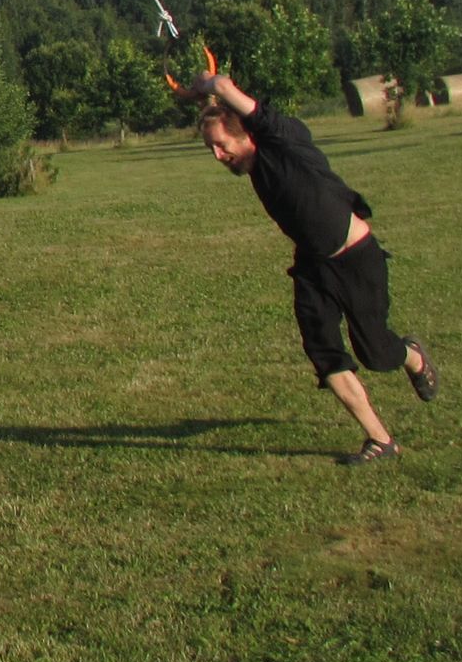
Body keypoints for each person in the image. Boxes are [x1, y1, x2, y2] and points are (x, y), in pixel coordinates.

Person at [186, 67, 439, 463]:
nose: (218, 156)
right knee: (324, 353)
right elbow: (228, 111)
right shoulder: (253, 164)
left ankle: (412, 356)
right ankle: (380, 439)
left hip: (356, 259)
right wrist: (206, 100)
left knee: (376, 354)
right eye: (210, 150)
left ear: (246, 133)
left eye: (220, 146)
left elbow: (255, 113)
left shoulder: (285, 143)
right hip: (312, 265)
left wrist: (216, 86)